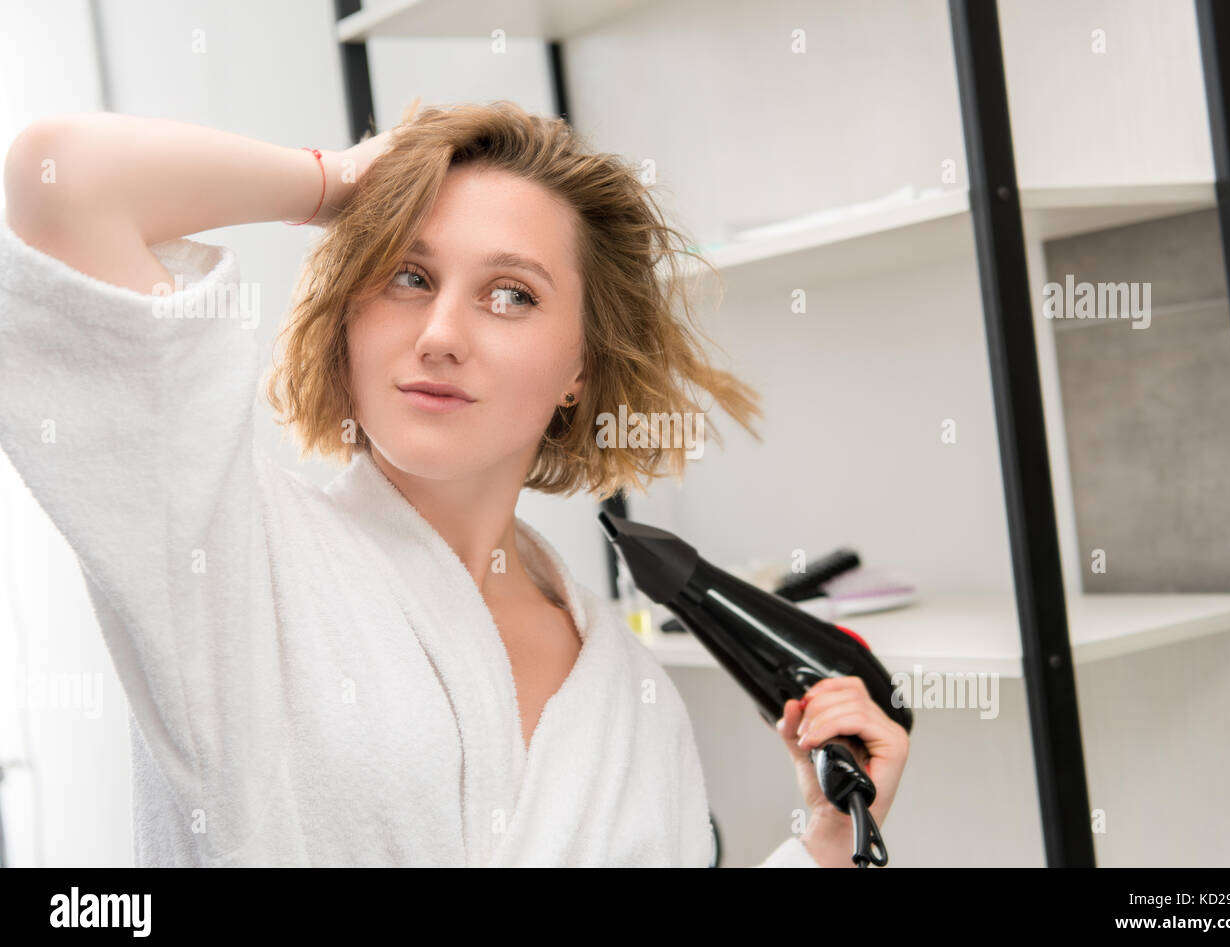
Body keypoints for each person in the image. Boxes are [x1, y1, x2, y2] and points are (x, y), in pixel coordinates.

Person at [0, 99, 908, 866]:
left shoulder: (628, 691)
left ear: (578, 369)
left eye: (510, 293)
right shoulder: (225, 549)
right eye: (407, 273)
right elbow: (59, 178)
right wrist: (345, 182)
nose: (440, 331)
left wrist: (825, 847)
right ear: (348, 315)